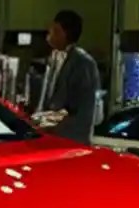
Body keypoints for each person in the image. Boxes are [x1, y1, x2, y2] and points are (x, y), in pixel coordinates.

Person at [34, 10, 100, 145]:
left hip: (72, 139)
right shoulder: (54, 58)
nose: (49, 35)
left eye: (53, 30)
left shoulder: (83, 62)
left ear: (63, 32)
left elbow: (77, 107)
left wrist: (52, 120)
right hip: (51, 137)